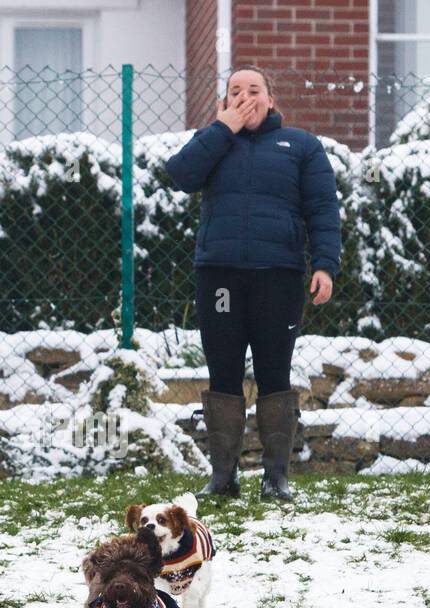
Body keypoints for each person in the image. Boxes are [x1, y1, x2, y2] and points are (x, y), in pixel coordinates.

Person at [165, 66, 342, 500]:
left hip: (278, 277)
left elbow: (323, 209)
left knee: (274, 372)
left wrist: (325, 265)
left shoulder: (300, 146)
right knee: (222, 373)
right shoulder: (213, 141)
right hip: (219, 276)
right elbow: (181, 175)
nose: (246, 96)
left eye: (254, 89)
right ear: (224, 102)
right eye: (235, 91)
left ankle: (275, 478)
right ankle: (223, 479)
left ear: (271, 99)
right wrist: (221, 128)